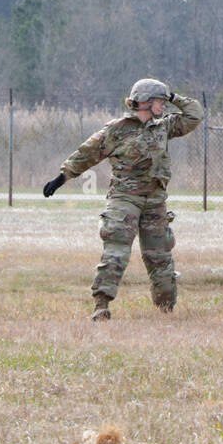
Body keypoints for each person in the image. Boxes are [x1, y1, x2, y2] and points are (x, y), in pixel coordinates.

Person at [42, 79, 203, 320]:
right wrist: (62, 178)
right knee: (116, 251)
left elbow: (195, 115)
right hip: (124, 199)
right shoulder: (116, 130)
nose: (163, 106)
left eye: (163, 101)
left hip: (155, 201)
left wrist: (173, 97)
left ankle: (166, 309)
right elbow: (86, 155)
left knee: (160, 256)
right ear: (145, 102)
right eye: (159, 101)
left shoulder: (164, 126)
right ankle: (101, 305)